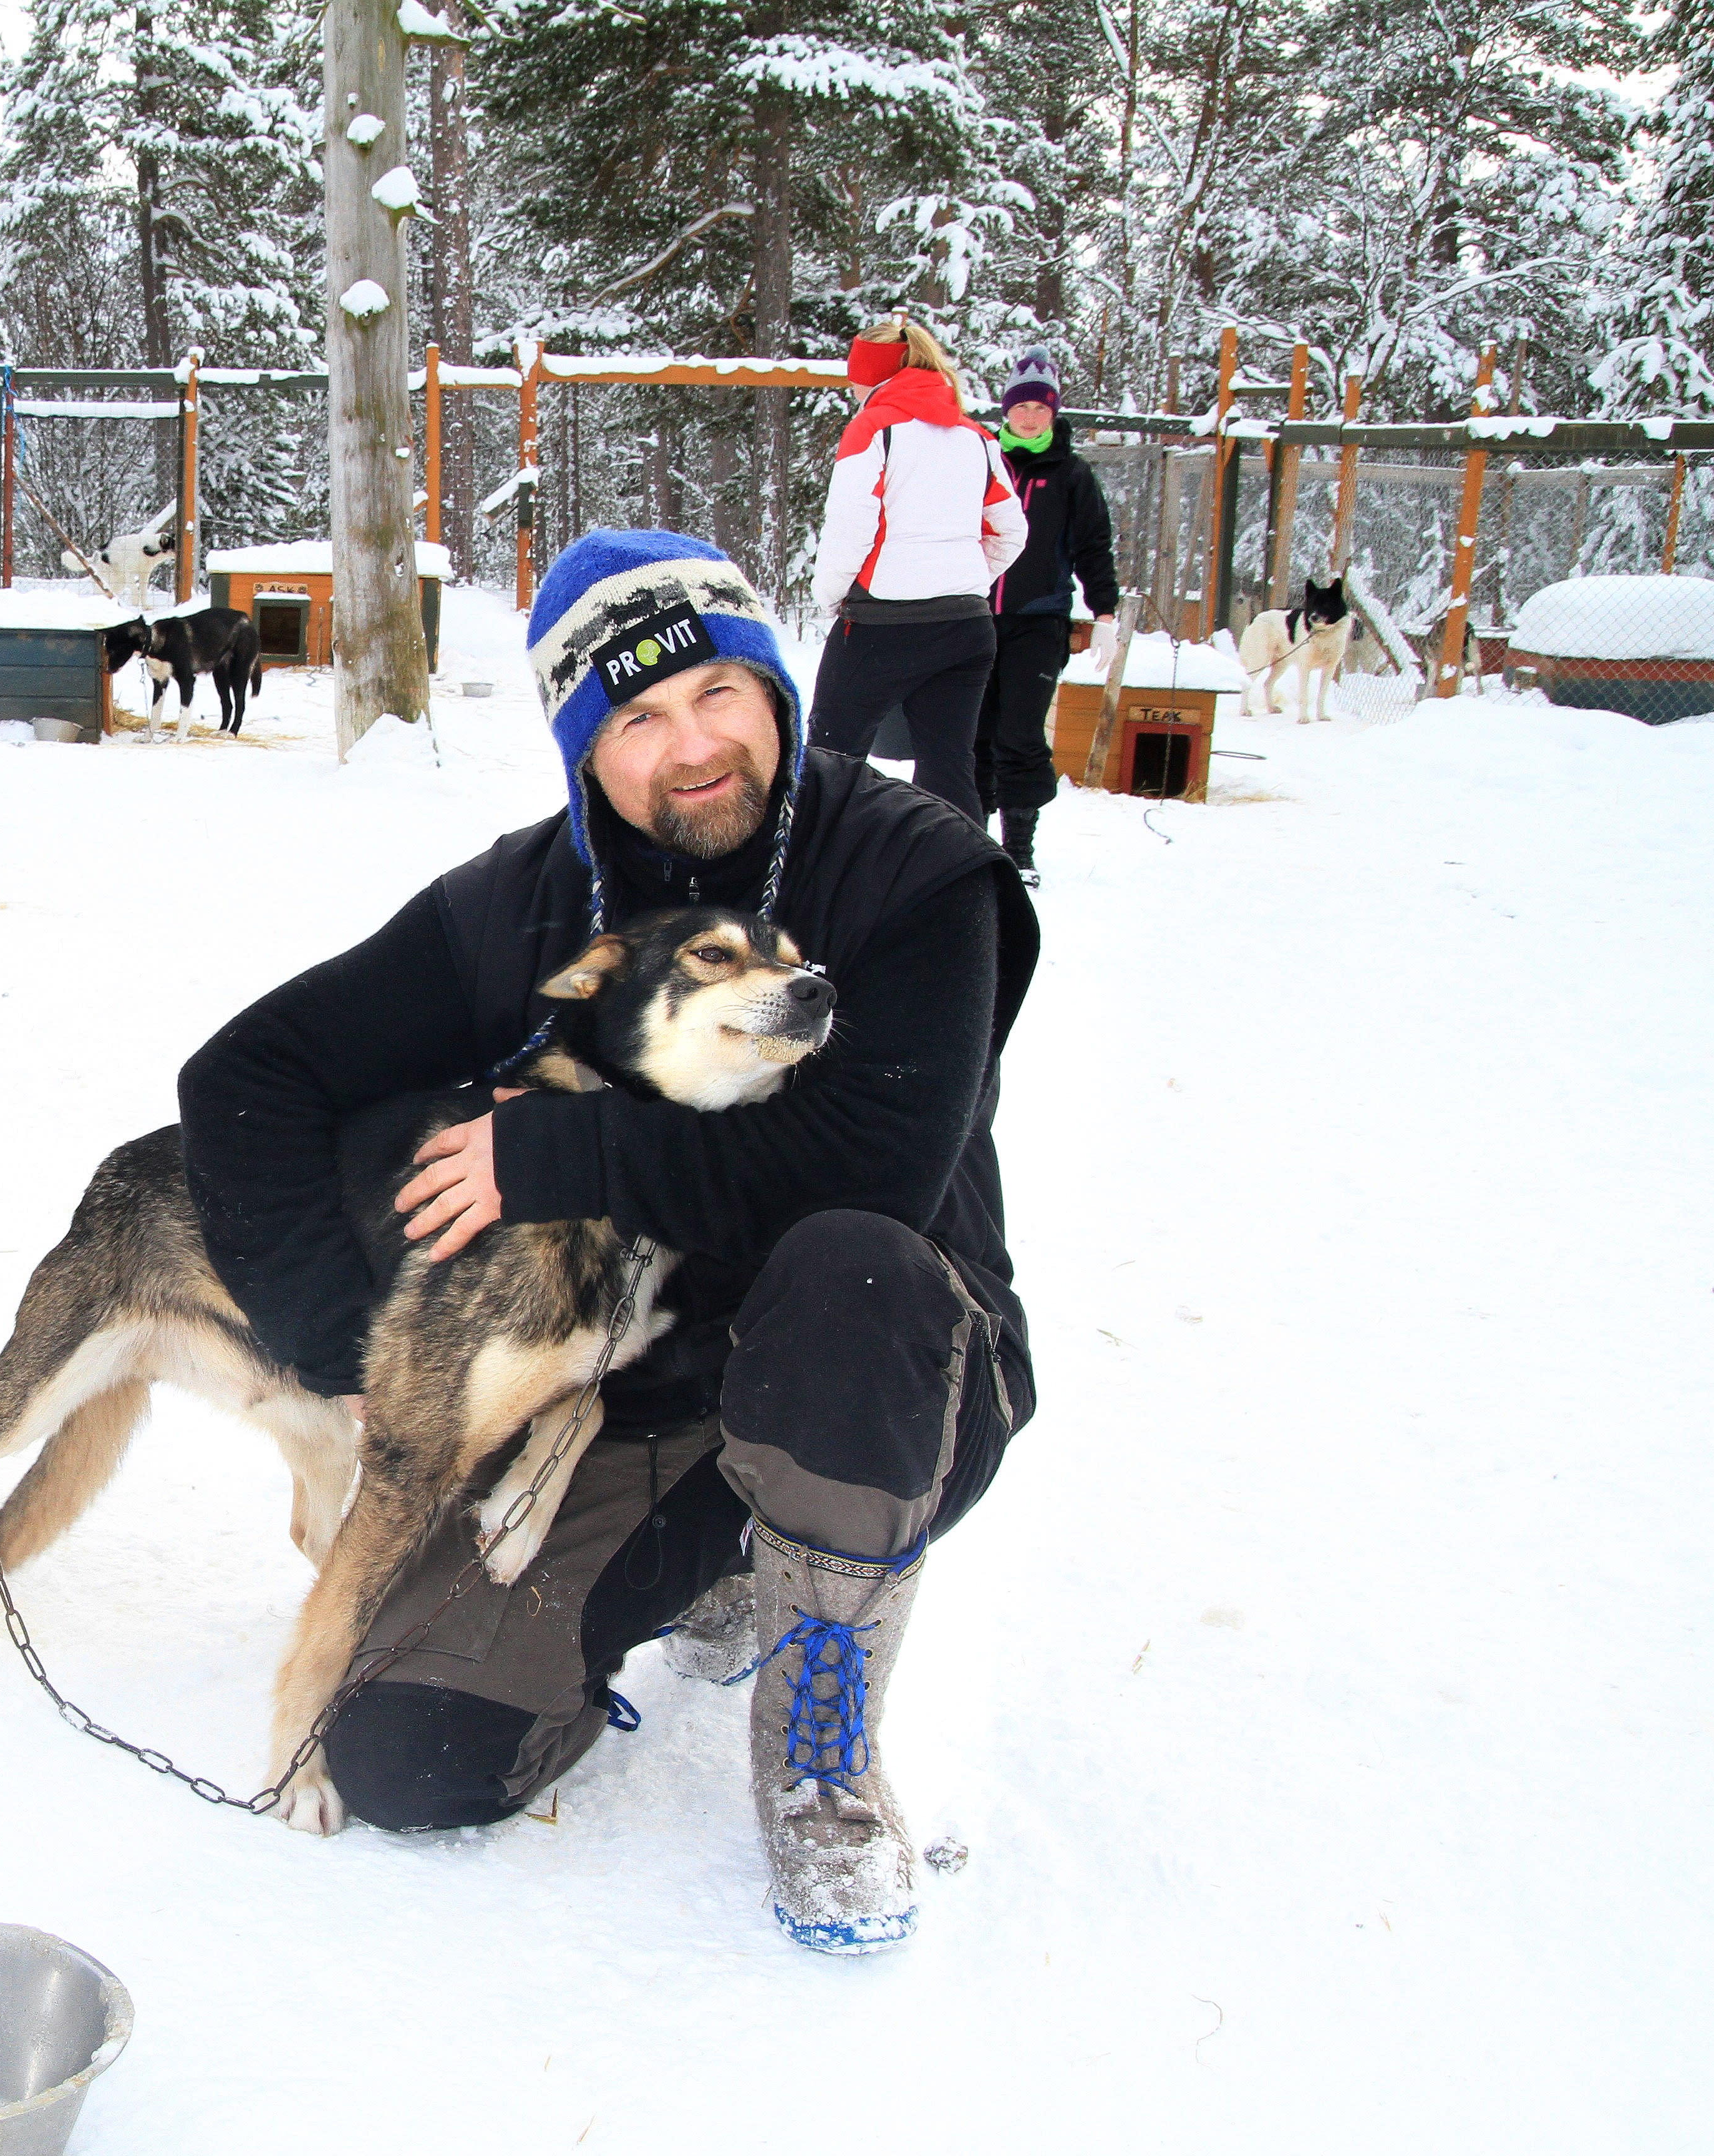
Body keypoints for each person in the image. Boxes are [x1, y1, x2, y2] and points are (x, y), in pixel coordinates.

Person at [177, 530, 1037, 1953]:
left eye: (716, 690)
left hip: (892, 1382)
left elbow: (874, 1162)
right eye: (635, 716)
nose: (689, 744)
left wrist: (564, 1147)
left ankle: (822, 1744)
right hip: (631, 1413)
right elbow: (248, 1080)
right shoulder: (523, 902)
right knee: (407, 1757)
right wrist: (350, 1355)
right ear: (584, 749)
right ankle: (712, 1567)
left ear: (775, 687)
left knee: (847, 1259)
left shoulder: (911, 870)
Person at [804, 316, 1027, 812]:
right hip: (966, 626)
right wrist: (962, 581)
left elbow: (848, 528)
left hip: (881, 625)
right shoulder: (978, 438)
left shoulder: (873, 429)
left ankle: (812, 882)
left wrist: (832, 595)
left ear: (871, 376)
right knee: (949, 766)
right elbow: (1010, 531)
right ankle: (966, 884)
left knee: (828, 762)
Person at [980, 350, 1120, 883]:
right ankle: (971, 842)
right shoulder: (984, 461)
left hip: (1038, 621)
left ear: (1054, 413)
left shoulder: (1072, 475)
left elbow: (1093, 545)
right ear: (1008, 410)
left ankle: (1018, 849)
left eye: (1041, 408)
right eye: (1022, 407)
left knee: (1018, 731)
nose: (1031, 417)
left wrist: (1104, 610)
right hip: (974, 615)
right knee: (973, 733)